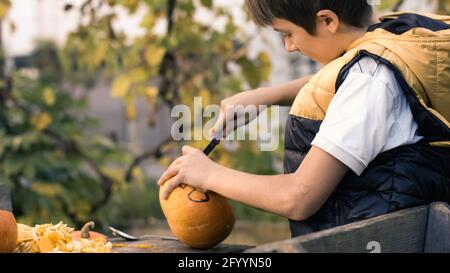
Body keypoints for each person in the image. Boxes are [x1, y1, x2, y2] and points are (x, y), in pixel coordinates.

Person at [158, 0, 450, 237]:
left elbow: (298, 198)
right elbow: (347, 79)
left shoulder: (369, 81)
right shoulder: (392, 35)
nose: (289, 46)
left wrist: (210, 174)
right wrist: (267, 96)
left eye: (288, 33)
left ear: (327, 20)